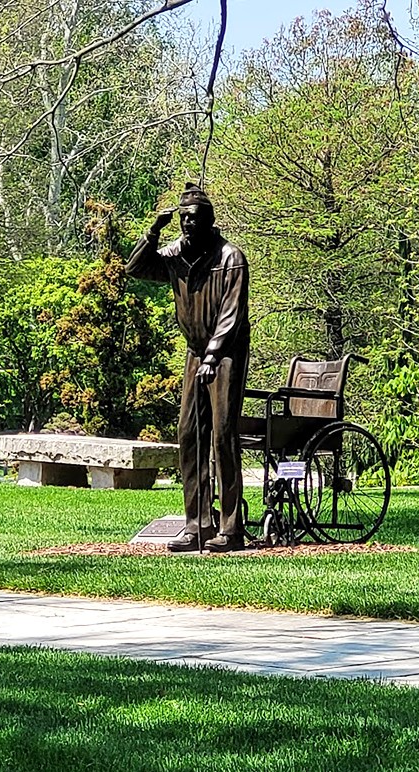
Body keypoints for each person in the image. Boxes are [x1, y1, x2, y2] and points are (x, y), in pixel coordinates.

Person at [125, 183, 250, 552]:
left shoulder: (230, 257)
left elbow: (232, 315)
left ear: (209, 220)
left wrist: (212, 357)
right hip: (195, 354)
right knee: (189, 434)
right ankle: (197, 525)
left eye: (193, 218)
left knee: (222, 436)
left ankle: (231, 528)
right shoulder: (176, 253)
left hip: (225, 355)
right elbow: (136, 268)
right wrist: (153, 232)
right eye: (182, 219)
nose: (187, 225)